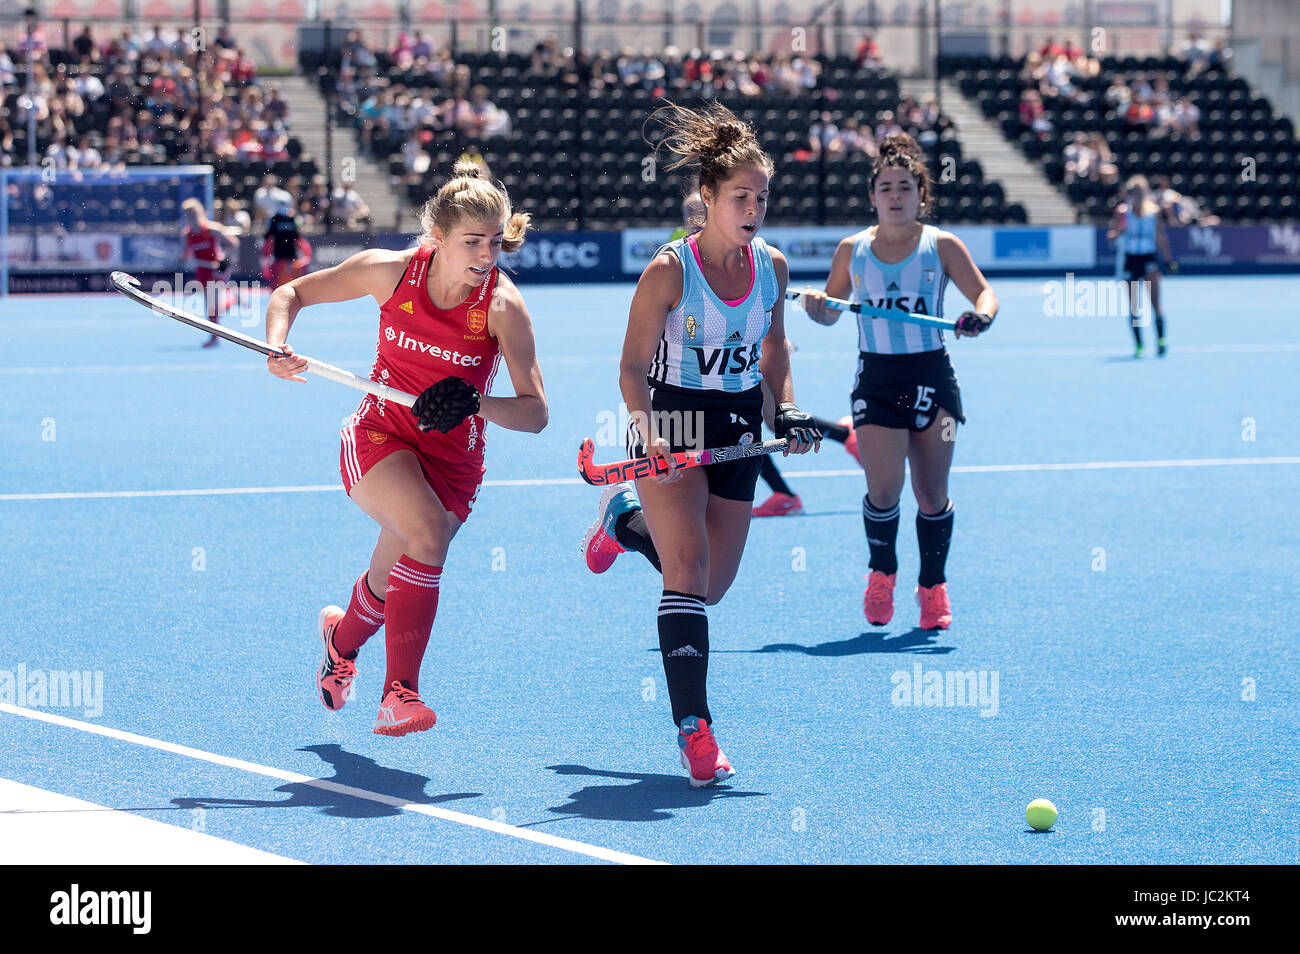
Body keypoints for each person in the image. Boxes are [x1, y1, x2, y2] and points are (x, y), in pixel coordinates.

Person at [579, 102, 822, 786]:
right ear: (707, 199)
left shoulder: (769, 266)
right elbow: (629, 367)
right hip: (674, 417)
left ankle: (623, 522)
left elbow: (773, 350)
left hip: (740, 422)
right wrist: (647, 431)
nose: (753, 208)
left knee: (711, 587)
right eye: (740, 197)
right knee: (685, 569)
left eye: (762, 197)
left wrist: (790, 409)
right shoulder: (669, 271)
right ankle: (696, 731)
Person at [265, 160, 547, 736]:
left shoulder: (502, 306)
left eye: (494, 242)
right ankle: (401, 694)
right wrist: (277, 346)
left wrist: (473, 401)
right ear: (436, 238)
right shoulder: (389, 273)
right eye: (471, 242)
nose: (485, 255)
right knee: (426, 534)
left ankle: (339, 642)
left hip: (454, 461)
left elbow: (536, 413)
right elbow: (291, 292)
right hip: (380, 435)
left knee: (389, 579)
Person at [801, 133, 997, 631]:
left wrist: (981, 315)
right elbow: (829, 312)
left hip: (934, 378)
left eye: (905, 187)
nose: (895, 195)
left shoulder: (942, 246)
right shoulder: (853, 250)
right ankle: (881, 572)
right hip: (878, 381)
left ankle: (932, 586)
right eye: (885, 187)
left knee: (932, 495)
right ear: (872, 196)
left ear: (921, 195)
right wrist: (817, 309)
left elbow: (984, 295)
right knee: (884, 492)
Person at [1107, 175, 1174, 357]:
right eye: (1131, 192)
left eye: (1138, 191)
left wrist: (1168, 259)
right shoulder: (1122, 212)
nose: (1135, 195)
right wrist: (1116, 234)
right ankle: (1139, 344)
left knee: (1155, 302)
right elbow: (1112, 236)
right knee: (1134, 306)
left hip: (1148, 258)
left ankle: (1161, 339)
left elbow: (1160, 237)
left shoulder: (1153, 212)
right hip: (1131, 259)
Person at [181, 198, 240, 348]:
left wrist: (225, 262)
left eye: (193, 213)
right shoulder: (187, 234)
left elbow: (233, 244)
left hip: (216, 270)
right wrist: (181, 258)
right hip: (202, 271)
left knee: (211, 305)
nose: (191, 217)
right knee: (212, 306)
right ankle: (230, 302)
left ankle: (214, 337)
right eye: (188, 215)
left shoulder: (212, 229)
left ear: (200, 213)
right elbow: (187, 254)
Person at [261, 201, 312, 288]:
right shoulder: (275, 219)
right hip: (278, 254)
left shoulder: (292, 219)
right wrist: (266, 258)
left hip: (291, 254)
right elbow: (269, 237)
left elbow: (298, 237)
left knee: (292, 280)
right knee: (278, 280)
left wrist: (304, 255)